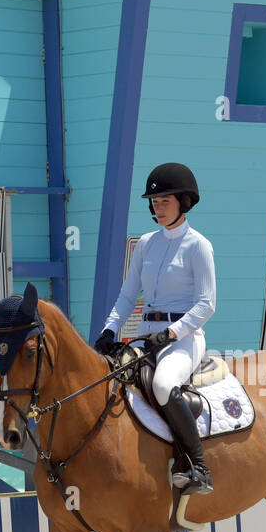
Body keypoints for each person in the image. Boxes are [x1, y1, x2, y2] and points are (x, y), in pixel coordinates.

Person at [91, 162, 216, 494]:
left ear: (184, 202)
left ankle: (198, 467)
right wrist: (109, 330)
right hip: (147, 336)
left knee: (162, 385)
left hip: (184, 339)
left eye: (165, 202)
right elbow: (128, 294)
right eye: (155, 203)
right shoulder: (146, 244)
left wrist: (173, 333)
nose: (158, 208)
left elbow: (206, 304)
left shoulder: (198, 245)